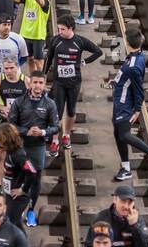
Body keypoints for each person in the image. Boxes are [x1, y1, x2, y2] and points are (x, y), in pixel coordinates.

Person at [109, 27, 148, 181]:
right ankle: (126, 168)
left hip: (124, 103)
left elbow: (138, 89)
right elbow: (127, 79)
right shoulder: (135, 56)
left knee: (125, 135)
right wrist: (116, 82)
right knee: (118, 134)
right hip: (120, 100)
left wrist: (136, 109)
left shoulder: (134, 65)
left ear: (127, 42)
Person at [43, 13, 103, 153]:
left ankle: (66, 135)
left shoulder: (80, 41)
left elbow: (98, 52)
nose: (60, 32)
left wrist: (84, 62)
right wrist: (43, 74)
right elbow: (49, 57)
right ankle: (55, 140)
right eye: (59, 29)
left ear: (71, 29)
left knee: (71, 110)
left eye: (62, 29)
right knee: (57, 111)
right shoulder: (55, 40)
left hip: (74, 82)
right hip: (59, 82)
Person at [11, 74, 59, 227]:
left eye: (41, 83)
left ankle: (31, 210)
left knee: (36, 178)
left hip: (38, 147)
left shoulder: (50, 104)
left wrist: (43, 132)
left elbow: (56, 127)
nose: (38, 85)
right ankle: (16, 210)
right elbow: (10, 125)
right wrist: (26, 132)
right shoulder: (19, 102)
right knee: (17, 177)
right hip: (20, 146)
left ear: (44, 84)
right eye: (35, 82)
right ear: (29, 84)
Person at [0, 126, 36, 227]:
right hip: (10, 194)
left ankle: (19, 242)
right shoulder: (8, 151)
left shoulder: (18, 154)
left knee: (11, 224)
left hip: (18, 197)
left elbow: (32, 172)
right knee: (14, 223)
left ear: (4, 139)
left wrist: (23, 189)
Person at [11, 0, 51, 78]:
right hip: (25, 35)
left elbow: (41, 2)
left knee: (39, 62)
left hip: (38, 36)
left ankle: (41, 79)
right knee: (30, 59)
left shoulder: (46, 1)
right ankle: (33, 78)